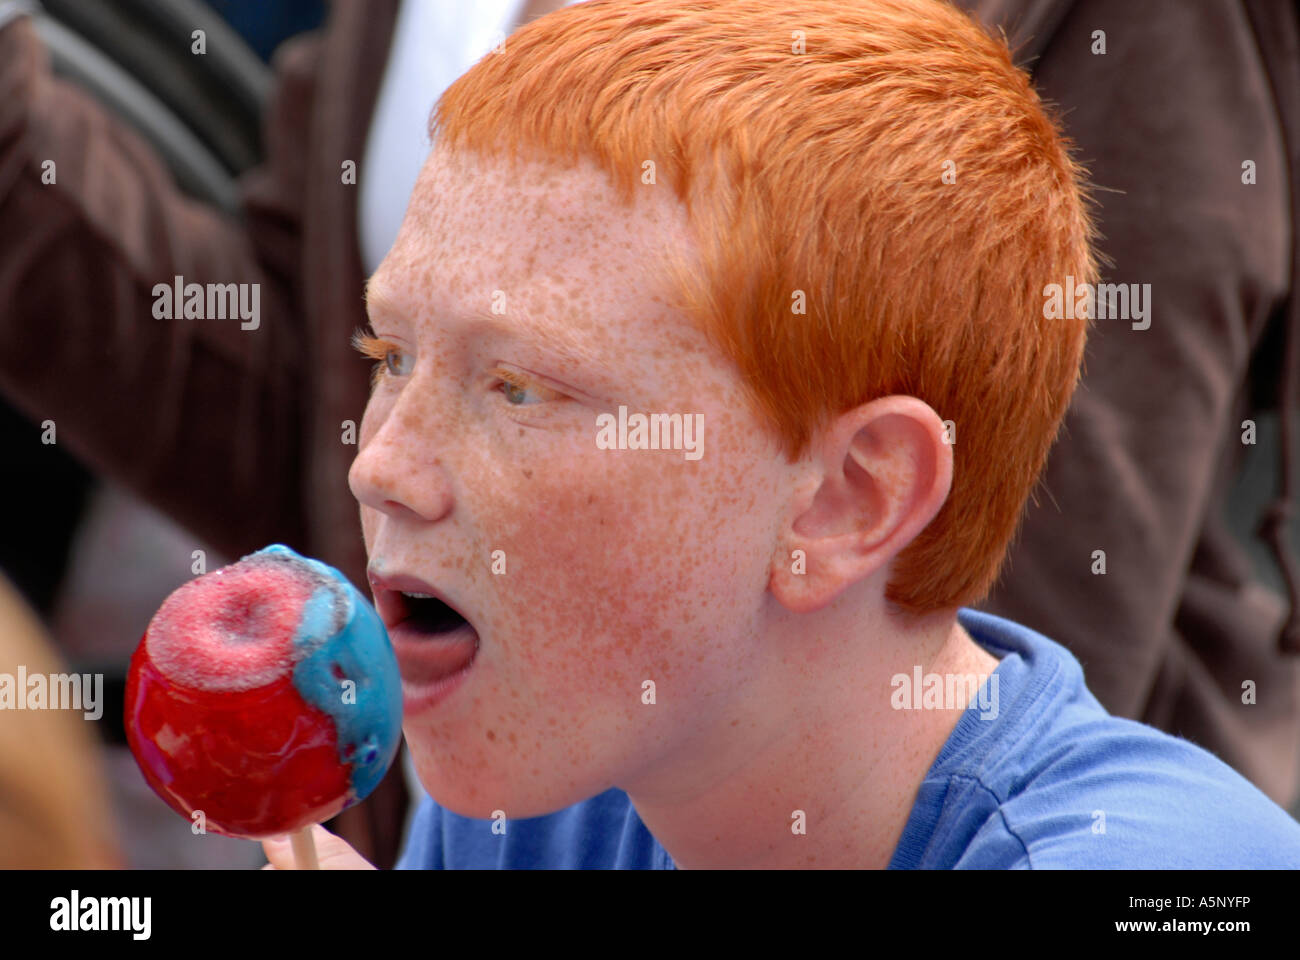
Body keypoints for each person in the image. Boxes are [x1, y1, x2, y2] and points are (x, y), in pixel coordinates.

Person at [259, 0, 1300, 868]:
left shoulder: (1160, 867)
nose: (379, 466)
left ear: (853, 495)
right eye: (388, 353)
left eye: (519, 388)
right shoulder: (531, 800)